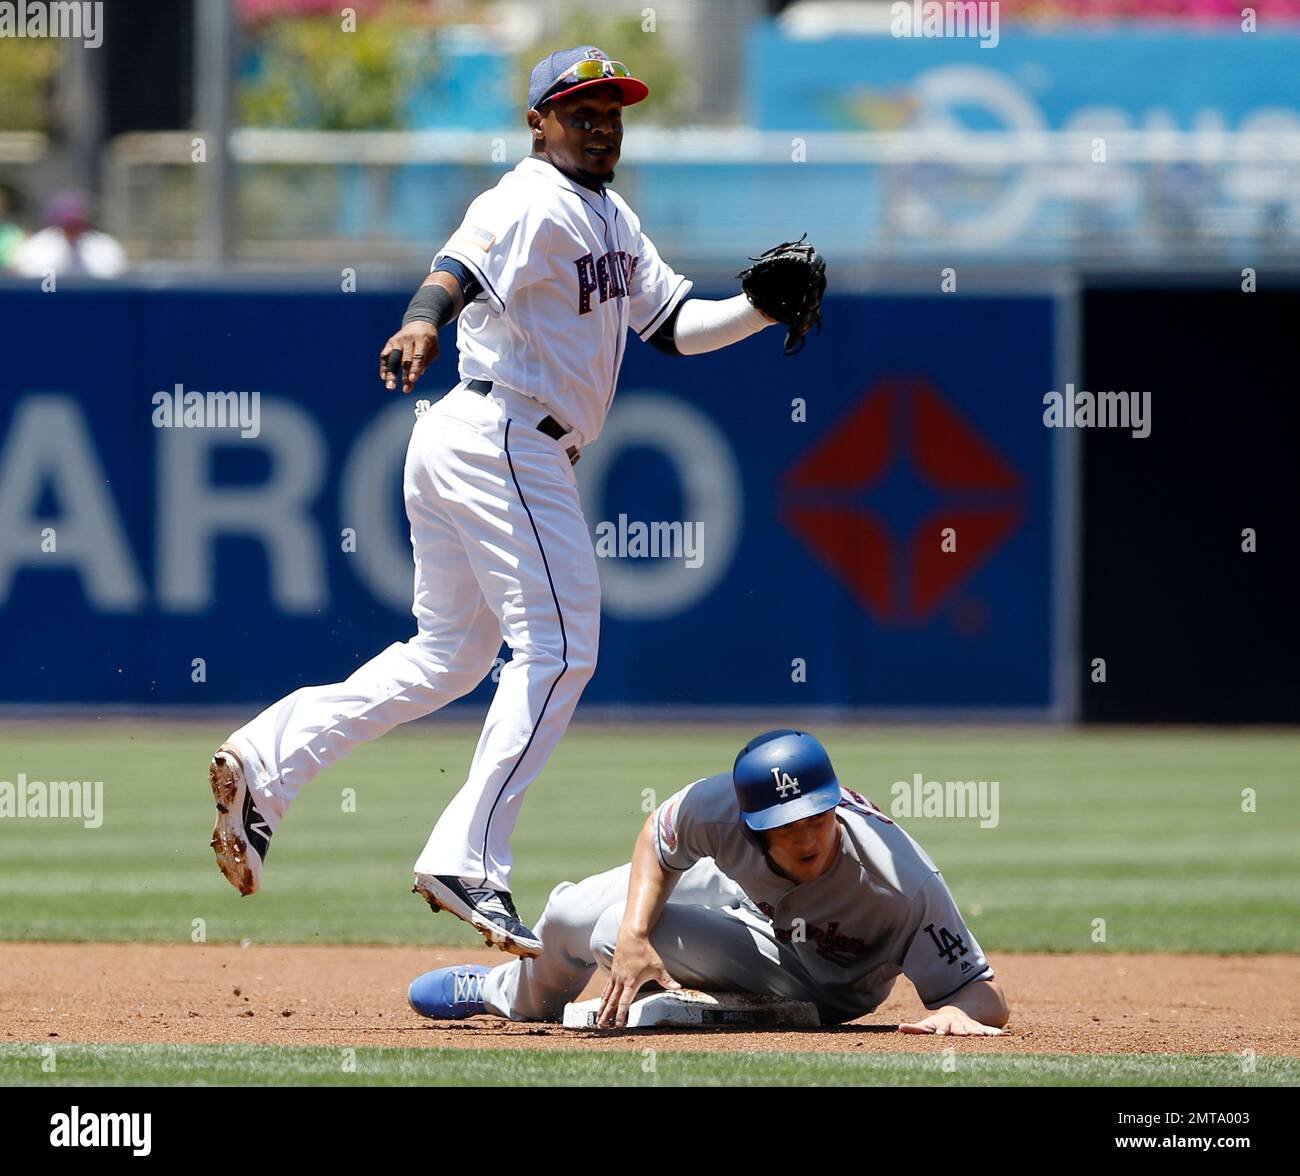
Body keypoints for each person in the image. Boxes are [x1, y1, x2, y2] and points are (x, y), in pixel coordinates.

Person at [208, 46, 799, 956]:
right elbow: (458, 266)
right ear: (539, 120)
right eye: (581, 108)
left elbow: (672, 327)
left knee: (448, 656)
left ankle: (265, 760)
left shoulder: (610, 213)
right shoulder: (527, 199)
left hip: (478, 438)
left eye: (612, 108)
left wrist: (757, 306)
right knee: (562, 649)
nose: (602, 122)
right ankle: (468, 860)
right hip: (506, 435)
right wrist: (420, 320)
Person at [408, 730, 1011, 1034]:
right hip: (748, 900)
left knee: (606, 934)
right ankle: (506, 992)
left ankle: (719, 1000)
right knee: (567, 915)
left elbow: (984, 994)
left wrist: (963, 1014)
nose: (806, 838)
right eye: (785, 826)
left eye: (817, 819)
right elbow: (659, 835)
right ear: (751, 823)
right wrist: (639, 931)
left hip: (819, 976)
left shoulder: (900, 879)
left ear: (835, 806)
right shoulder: (718, 807)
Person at [12, 190, 127, 278]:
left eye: (76, 224)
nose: (71, 229)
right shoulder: (37, 247)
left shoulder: (106, 247)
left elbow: (116, 280)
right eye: (66, 224)